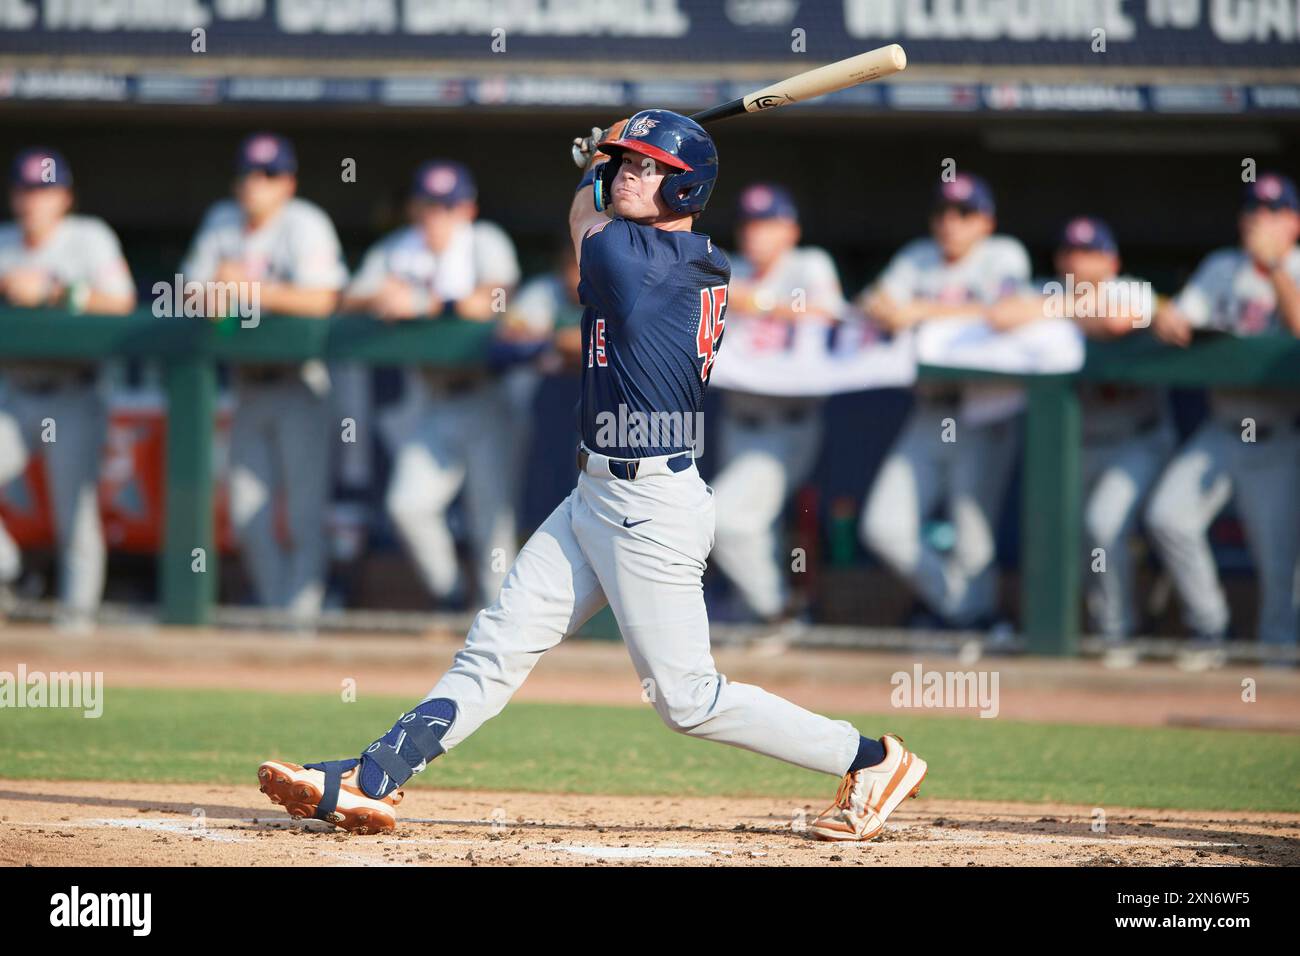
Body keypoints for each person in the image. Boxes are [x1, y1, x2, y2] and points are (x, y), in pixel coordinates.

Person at [258, 110, 927, 843]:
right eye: (625, 165)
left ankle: (869, 759)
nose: (626, 176)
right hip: (596, 493)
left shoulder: (639, 261)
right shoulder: (669, 254)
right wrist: (608, 150)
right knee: (498, 641)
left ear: (687, 187)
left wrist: (586, 164)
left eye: (646, 169)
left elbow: (585, 212)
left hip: (652, 504)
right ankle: (373, 777)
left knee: (688, 700)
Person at [180, 133, 347, 621]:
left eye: (269, 174)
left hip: (301, 383)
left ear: (287, 182)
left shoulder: (305, 223)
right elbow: (188, 292)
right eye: (250, 174)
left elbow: (323, 299)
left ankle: (303, 620)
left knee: (302, 513)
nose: (257, 184)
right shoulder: (220, 222)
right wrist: (208, 295)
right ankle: (280, 616)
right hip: (249, 386)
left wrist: (248, 288)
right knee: (245, 514)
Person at [342, 161, 521, 608]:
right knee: (408, 505)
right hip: (433, 399)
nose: (437, 216)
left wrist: (422, 302)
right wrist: (379, 296)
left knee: (491, 524)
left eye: (448, 205)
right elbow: (349, 295)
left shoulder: (484, 240)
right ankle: (451, 596)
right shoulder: (399, 249)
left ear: (468, 208)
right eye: (429, 205)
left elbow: (497, 300)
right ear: (414, 208)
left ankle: (502, 622)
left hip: (489, 394)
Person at [858, 173, 1030, 629]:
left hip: (984, 409)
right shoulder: (917, 257)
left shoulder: (1003, 255)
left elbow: (1005, 313)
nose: (951, 223)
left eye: (964, 213)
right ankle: (968, 613)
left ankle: (974, 620)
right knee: (884, 526)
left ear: (986, 221)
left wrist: (922, 310)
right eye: (943, 213)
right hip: (929, 410)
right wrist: (884, 305)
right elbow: (874, 301)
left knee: (974, 540)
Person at [989, 216, 1170, 640]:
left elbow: (1115, 323)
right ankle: (1063, 634)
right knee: (1059, 537)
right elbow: (999, 315)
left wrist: (1057, 314)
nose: (1078, 263)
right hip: (1075, 445)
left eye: (1090, 253)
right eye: (1070, 252)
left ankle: (1115, 632)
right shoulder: (1047, 293)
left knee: (1103, 525)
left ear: (1112, 260)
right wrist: (1064, 307)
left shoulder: (1132, 289)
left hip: (1136, 440)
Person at [1146, 173, 1300, 650]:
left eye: (1273, 211)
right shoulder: (1220, 267)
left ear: (1293, 221)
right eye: (1253, 210)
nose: (1260, 219)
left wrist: (1274, 267)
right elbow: (1183, 319)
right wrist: (1166, 317)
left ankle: (1276, 671)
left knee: (1279, 568)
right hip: (1222, 425)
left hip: (1278, 432)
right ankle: (1212, 626)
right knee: (1167, 517)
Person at [0, 147, 136, 629]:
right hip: (14, 392)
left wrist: (55, 292)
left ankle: (76, 633)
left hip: (73, 391)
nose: (34, 200)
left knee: (74, 519)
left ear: (65, 197)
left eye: (45, 190)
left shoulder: (89, 238)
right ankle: (9, 569)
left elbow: (122, 303)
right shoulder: (5, 242)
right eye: (26, 189)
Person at [710, 184, 845, 626]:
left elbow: (831, 316)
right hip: (737, 418)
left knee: (725, 521)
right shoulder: (726, 265)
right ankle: (765, 620)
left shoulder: (808, 263)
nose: (755, 233)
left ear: (790, 230)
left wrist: (760, 303)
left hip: (789, 421)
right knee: (755, 526)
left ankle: (780, 612)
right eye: (749, 223)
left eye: (767, 224)